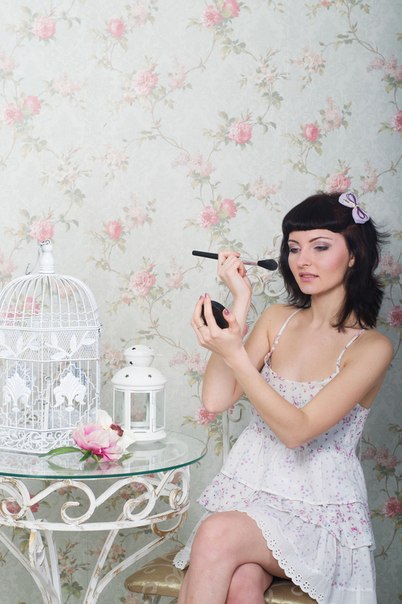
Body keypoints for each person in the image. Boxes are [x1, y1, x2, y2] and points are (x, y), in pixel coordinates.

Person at [175, 192, 393, 604]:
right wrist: (240, 302)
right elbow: (216, 399)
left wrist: (235, 355)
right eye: (294, 248)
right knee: (240, 584)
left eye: (320, 247)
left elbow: (298, 431)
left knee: (216, 533)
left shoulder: (371, 348)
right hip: (253, 501)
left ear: (353, 255)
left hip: (319, 516)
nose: (302, 260)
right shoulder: (278, 319)